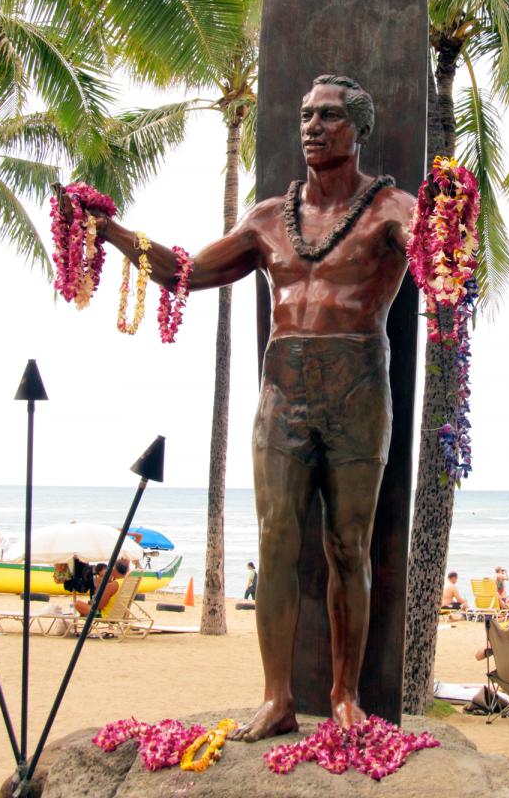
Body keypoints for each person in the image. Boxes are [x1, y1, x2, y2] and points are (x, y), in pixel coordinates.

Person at [79, 74, 415, 741]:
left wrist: (448, 233)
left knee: (348, 546)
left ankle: (345, 697)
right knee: (276, 540)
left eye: (327, 116)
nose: (311, 127)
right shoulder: (269, 217)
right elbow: (186, 272)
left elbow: (436, 258)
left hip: (357, 391)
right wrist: (110, 231)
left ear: (358, 129)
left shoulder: (391, 210)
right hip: (282, 391)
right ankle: (277, 698)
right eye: (304, 115)